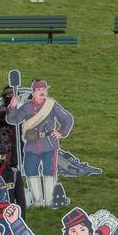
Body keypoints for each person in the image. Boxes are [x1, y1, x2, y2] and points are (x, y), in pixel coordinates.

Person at [5, 79, 73, 210]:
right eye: (39, 90)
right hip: (31, 145)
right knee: (30, 171)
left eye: (44, 89)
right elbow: (13, 119)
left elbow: (67, 118)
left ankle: (48, 202)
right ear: (34, 92)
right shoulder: (27, 106)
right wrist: (12, 106)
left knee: (49, 171)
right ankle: (37, 203)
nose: (42, 92)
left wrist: (61, 132)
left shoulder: (51, 105)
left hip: (48, 144)